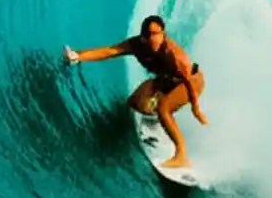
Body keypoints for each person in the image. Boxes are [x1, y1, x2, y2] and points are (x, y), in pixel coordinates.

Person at [64, 15, 207, 168]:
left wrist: (196, 109)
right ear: (143, 37)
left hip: (192, 81)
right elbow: (110, 51)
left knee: (164, 108)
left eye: (159, 33)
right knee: (135, 103)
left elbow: (188, 81)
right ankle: (159, 121)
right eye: (152, 34)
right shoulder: (136, 45)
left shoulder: (173, 54)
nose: (157, 38)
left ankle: (181, 155)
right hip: (169, 80)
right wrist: (78, 56)